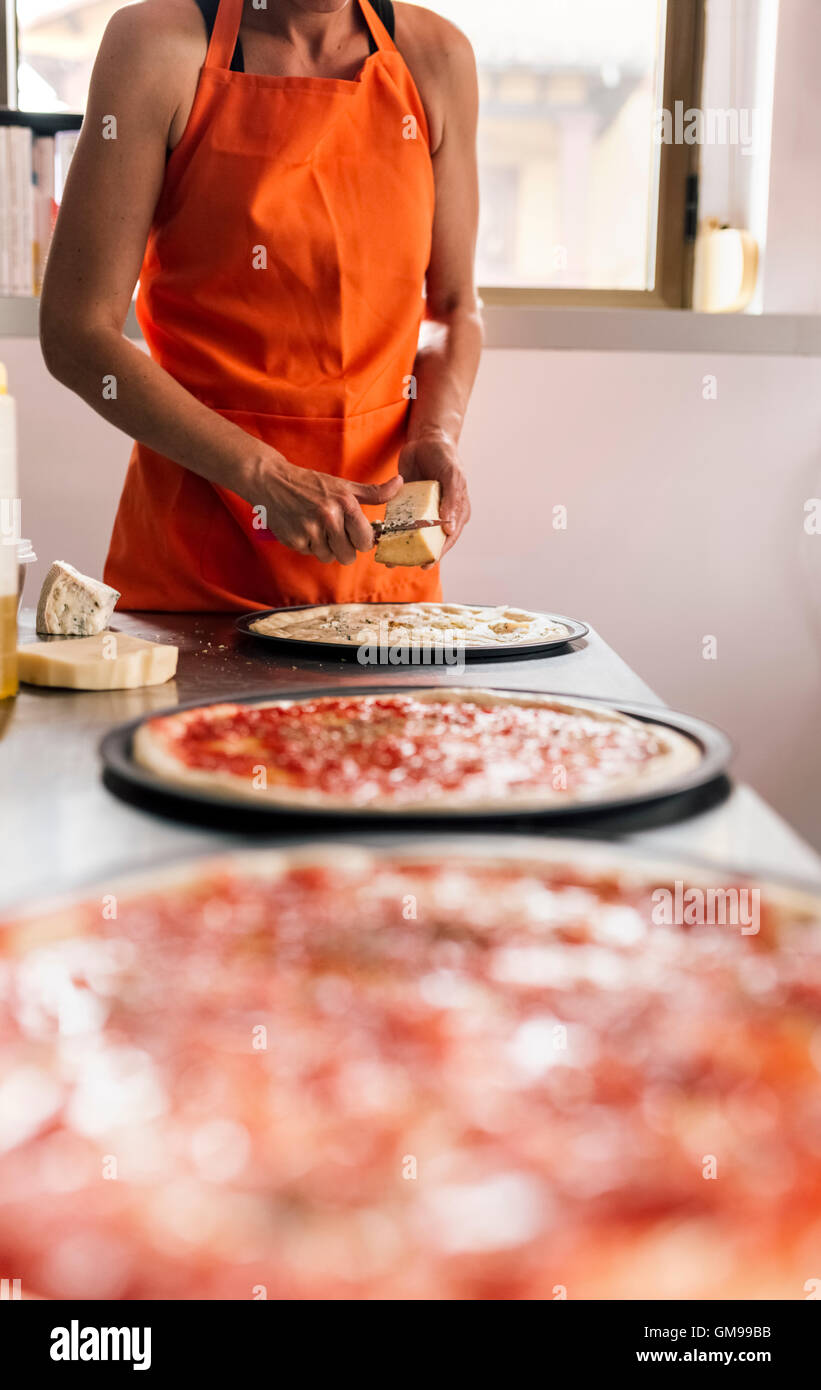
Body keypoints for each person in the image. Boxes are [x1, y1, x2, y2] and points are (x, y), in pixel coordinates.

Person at [40, 0, 482, 611]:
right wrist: (262, 476)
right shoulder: (156, 46)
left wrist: (435, 431)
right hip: (194, 574)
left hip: (380, 576)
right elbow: (75, 330)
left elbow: (454, 308)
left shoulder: (438, 58)